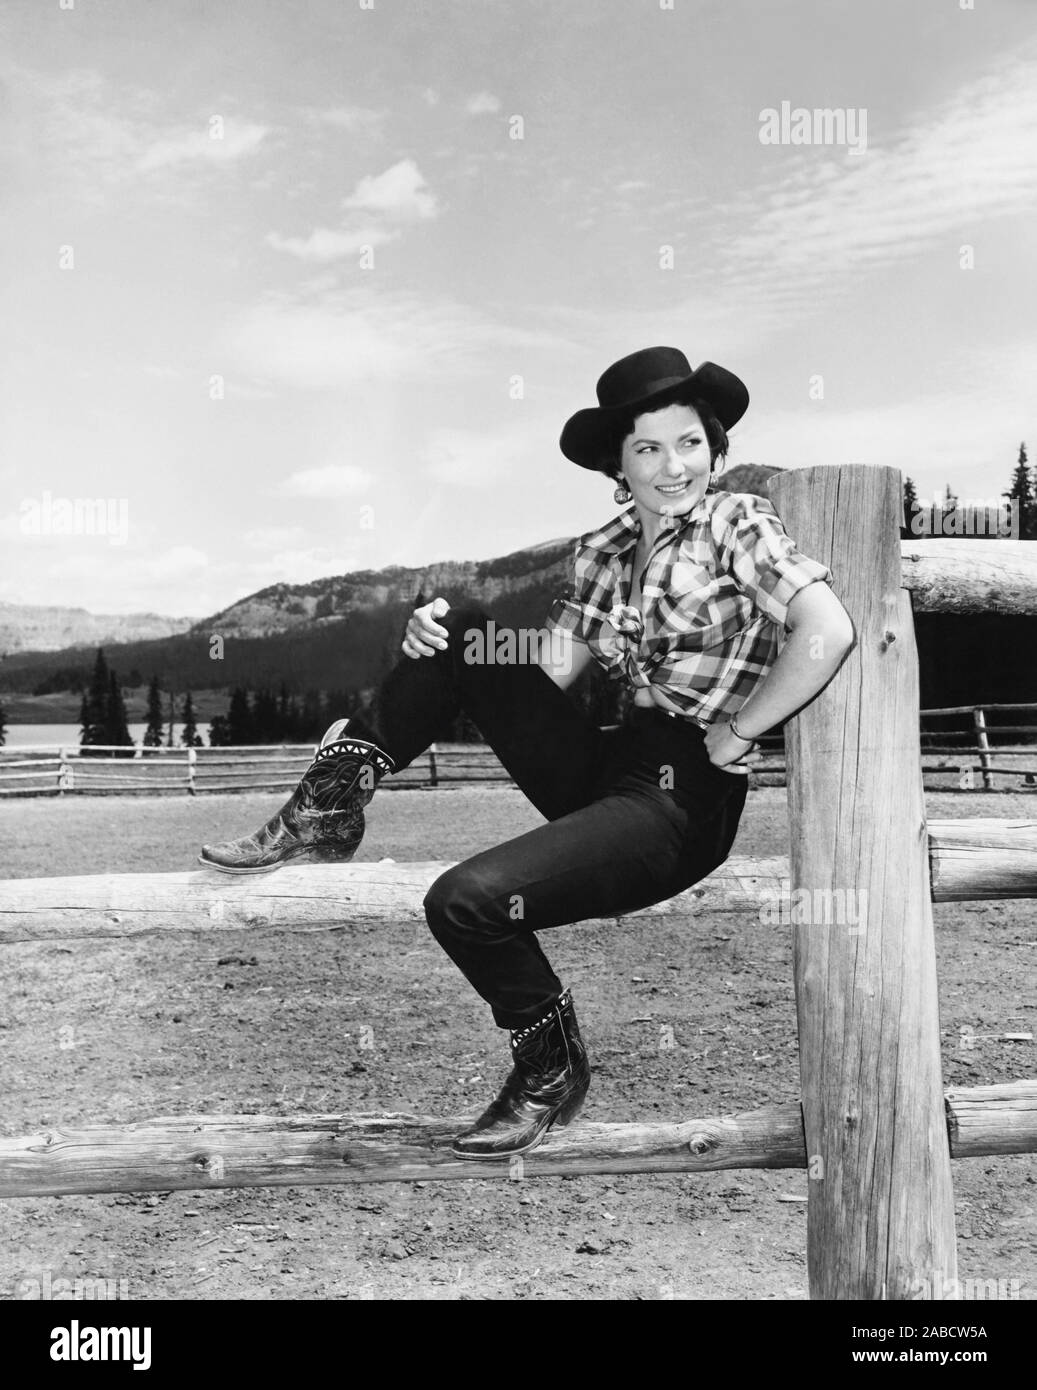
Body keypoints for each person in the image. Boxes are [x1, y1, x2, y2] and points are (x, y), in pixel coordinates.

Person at [199, 346, 854, 1159]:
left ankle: (550, 1066)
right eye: (646, 448)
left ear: (713, 449)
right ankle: (329, 804)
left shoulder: (736, 522)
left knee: (464, 901)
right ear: (619, 464)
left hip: (680, 799)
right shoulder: (608, 547)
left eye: (688, 442)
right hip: (607, 766)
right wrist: (443, 650)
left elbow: (827, 631)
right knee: (463, 622)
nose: (671, 465)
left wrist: (736, 733)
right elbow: (550, 672)